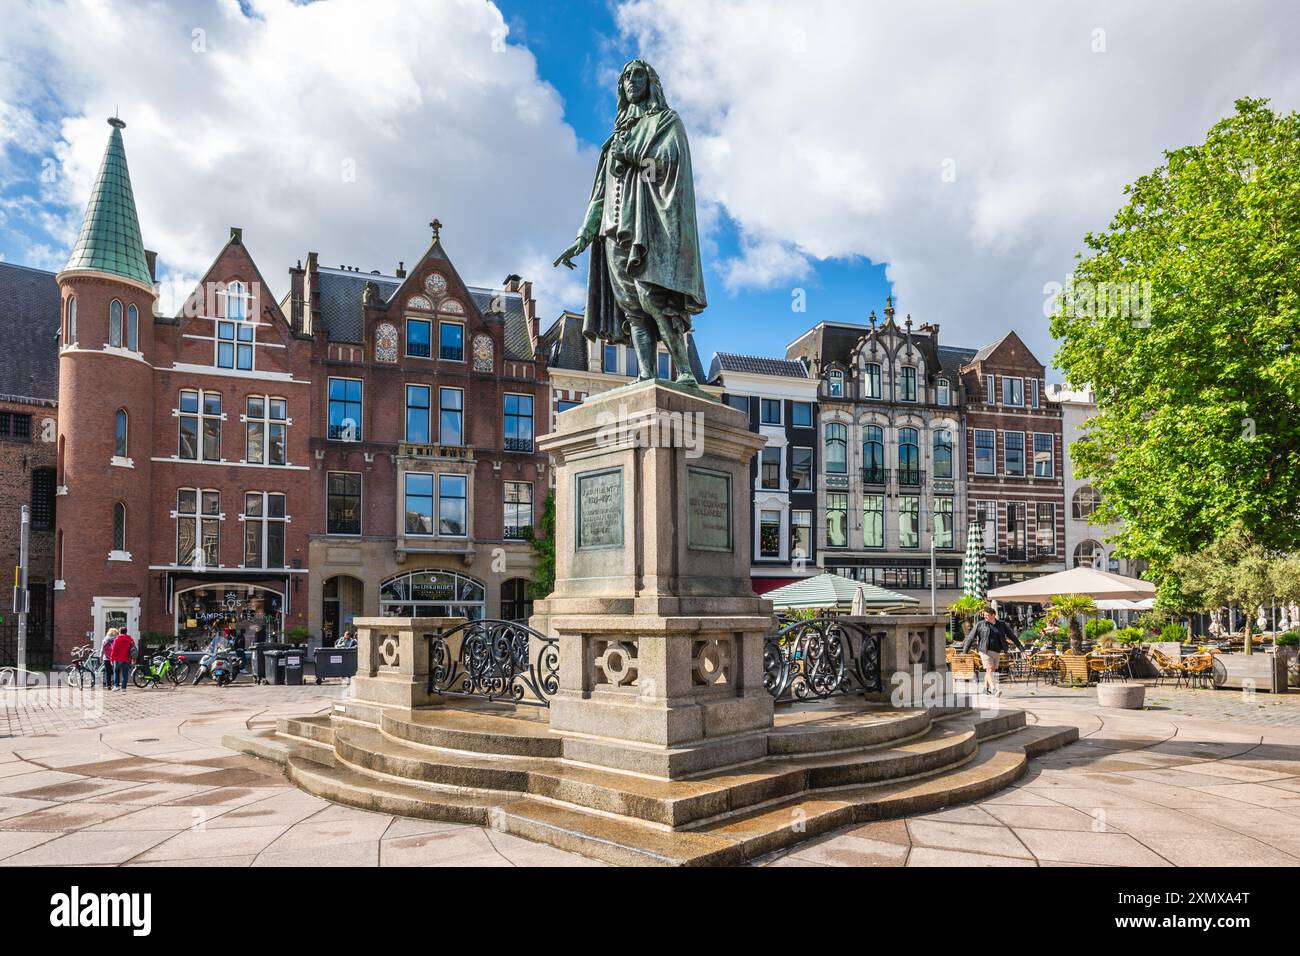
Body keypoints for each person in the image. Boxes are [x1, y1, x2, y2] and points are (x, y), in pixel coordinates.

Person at [960, 607, 1024, 696]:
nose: (985, 617)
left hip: (997, 651)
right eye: (984, 615)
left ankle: (985, 689)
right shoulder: (980, 624)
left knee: (991, 670)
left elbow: (1012, 636)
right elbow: (970, 638)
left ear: (993, 615)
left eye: (987, 615)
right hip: (984, 650)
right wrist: (964, 652)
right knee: (989, 669)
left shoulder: (1001, 625)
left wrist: (1021, 648)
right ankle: (994, 689)